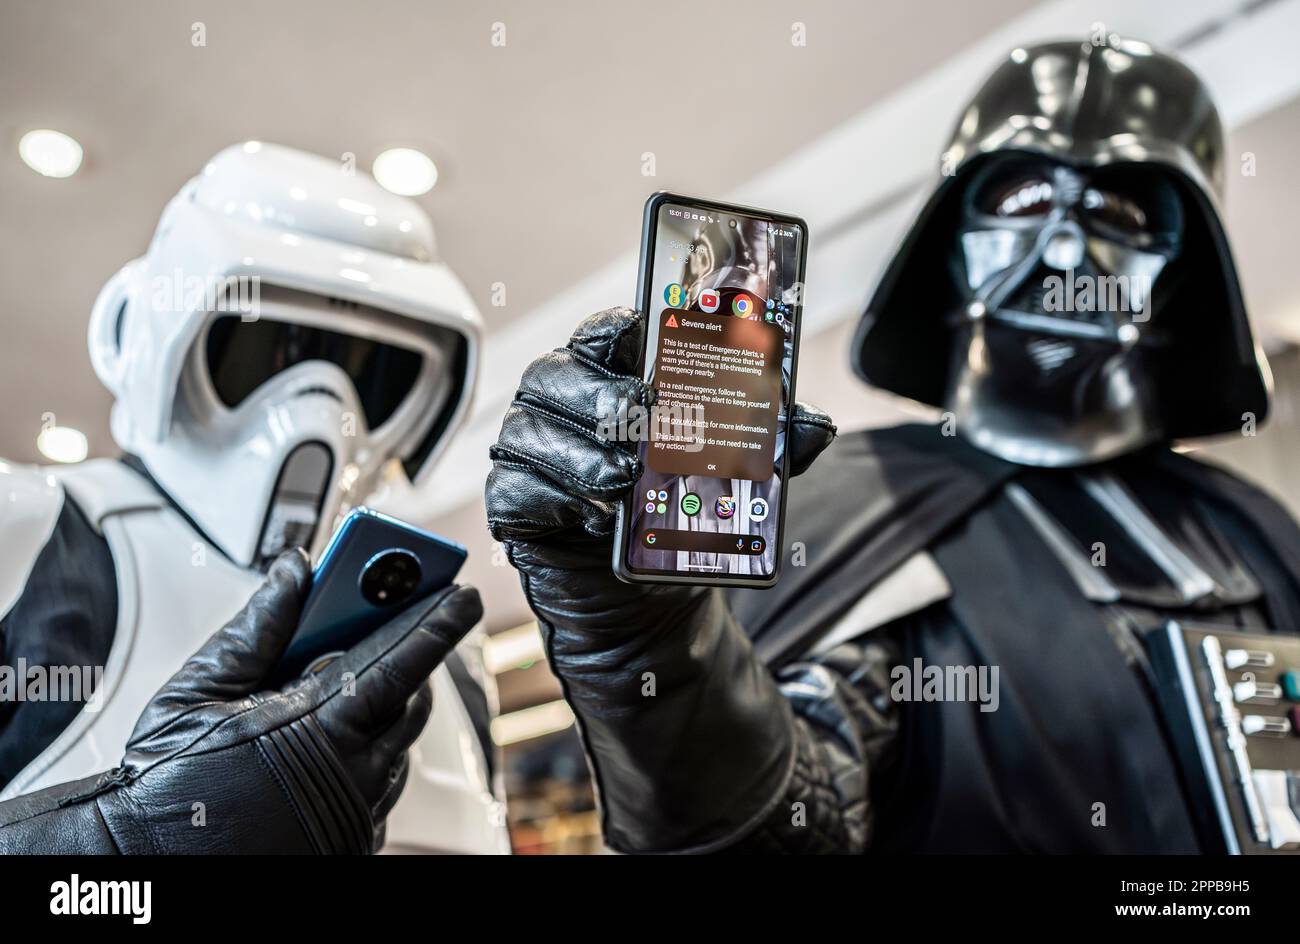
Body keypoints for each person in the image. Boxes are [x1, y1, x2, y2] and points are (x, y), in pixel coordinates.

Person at [485, 38, 1299, 853]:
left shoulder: (1258, 532)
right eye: (1019, 199)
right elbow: (785, 828)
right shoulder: (856, 509)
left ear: (1188, 269)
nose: (1060, 250)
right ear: (948, 242)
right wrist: (643, 633)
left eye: (1121, 211)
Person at [0, 143, 506, 853]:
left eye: (373, 370)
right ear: (146, 338)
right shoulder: (28, 533)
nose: (321, 414)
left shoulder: (440, 655)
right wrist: (130, 843)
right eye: (266, 345)